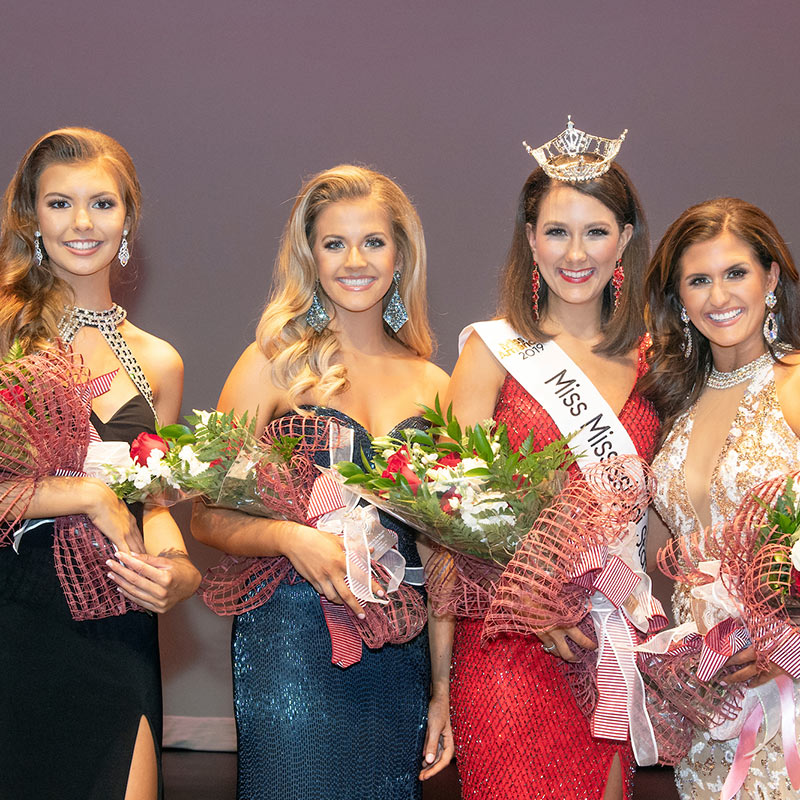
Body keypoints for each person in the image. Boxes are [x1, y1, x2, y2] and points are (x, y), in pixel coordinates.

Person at [191, 164, 452, 800]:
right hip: (289, 635)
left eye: (373, 242)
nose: (354, 260)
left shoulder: (435, 384)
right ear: (311, 256)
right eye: (334, 243)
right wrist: (288, 537)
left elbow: (443, 553)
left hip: (398, 646)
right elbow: (204, 517)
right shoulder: (271, 365)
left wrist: (444, 687)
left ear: (401, 255)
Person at [429, 119, 660, 799]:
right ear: (531, 241)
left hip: (608, 639)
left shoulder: (658, 365)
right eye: (557, 231)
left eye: (595, 230)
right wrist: (441, 685)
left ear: (624, 239)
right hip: (507, 650)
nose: (575, 252)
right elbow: (447, 514)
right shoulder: (491, 353)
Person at [0, 127, 201, 800]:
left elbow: (157, 504)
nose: (82, 223)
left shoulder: (160, 361)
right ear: (32, 217)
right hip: (16, 621)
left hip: (117, 629)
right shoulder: (4, 332)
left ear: (128, 219)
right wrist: (83, 496)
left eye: (102, 204)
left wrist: (177, 572)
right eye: (60, 203)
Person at [643, 197, 800, 799]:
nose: (719, 296)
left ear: (772, 278)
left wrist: (789, 636)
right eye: (699, 280)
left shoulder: (792, 384)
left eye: (735, 272)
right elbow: (661, 555)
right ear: (680, 299)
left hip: (786, 684)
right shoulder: (673, 406)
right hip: (706, 698)